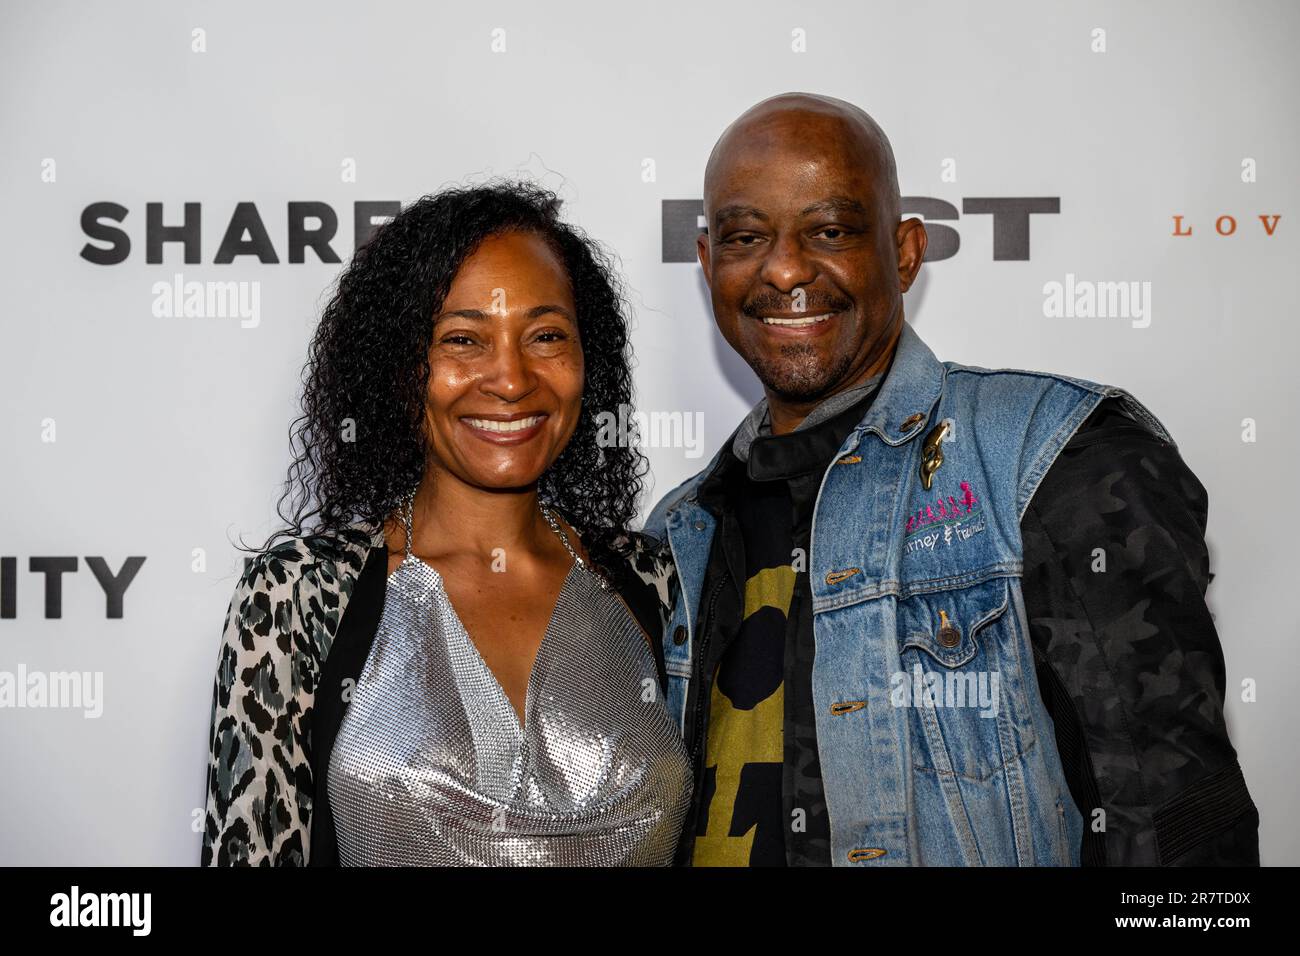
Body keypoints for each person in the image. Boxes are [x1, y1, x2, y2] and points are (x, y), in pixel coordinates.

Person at [643, 92, 1258, 866]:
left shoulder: (1055, 460)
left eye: (829, 230)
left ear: (904, 252)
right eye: (744, 236)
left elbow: (1184, 843)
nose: (786, 268)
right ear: (708, 264)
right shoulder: (678, 534)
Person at [201, 181, 691, 866]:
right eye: (463, 339)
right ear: (399, 369)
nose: (511, 378)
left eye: (546, 335)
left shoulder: (655, 578)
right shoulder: (300, 596)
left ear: (589, 360)